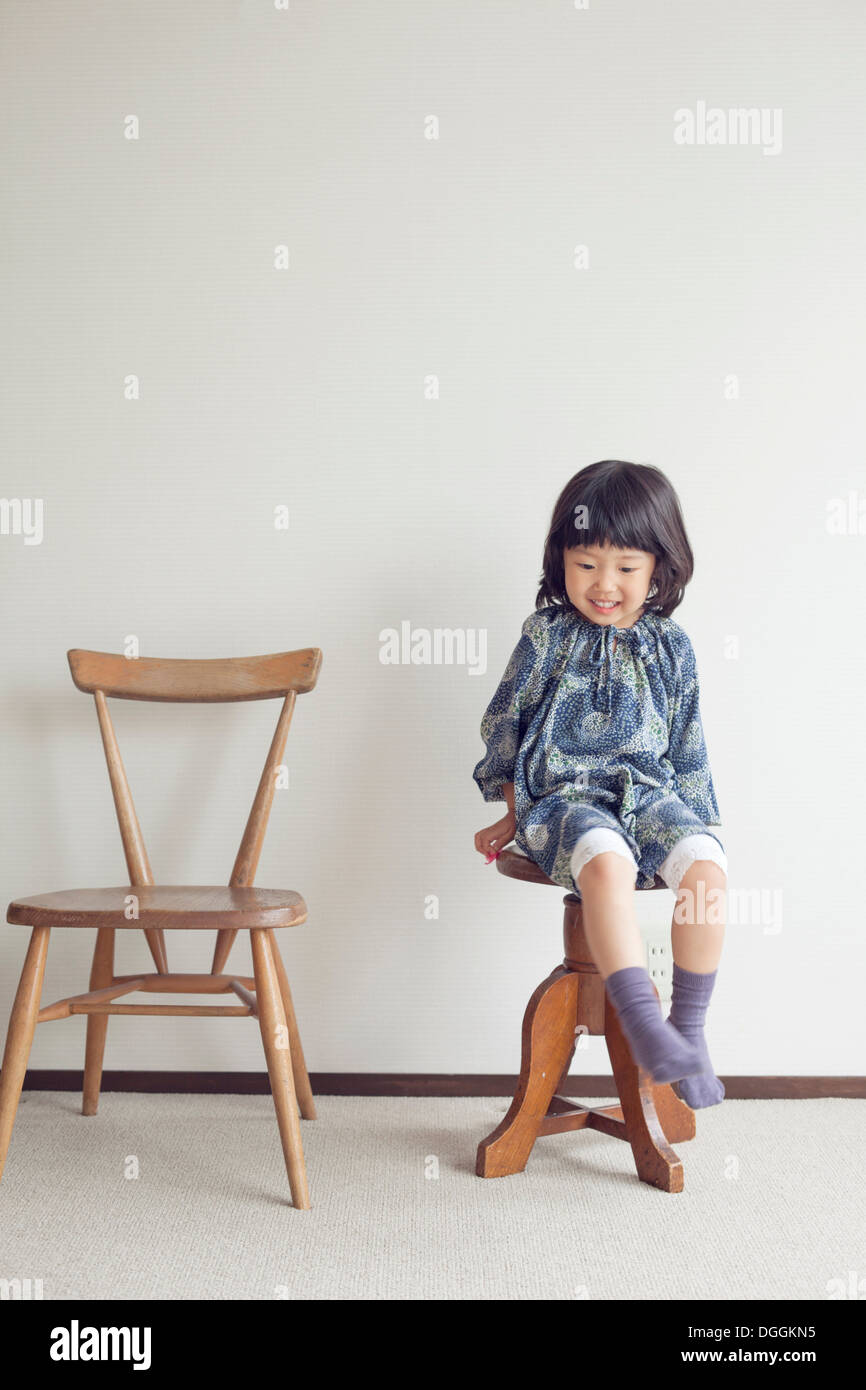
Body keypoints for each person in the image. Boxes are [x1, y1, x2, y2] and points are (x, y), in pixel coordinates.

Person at [472, 459, 728, 1109]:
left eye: (625, 567)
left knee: (707, 871)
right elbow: (505, 727)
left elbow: (688, 744)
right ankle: (644, 1025)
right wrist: (514, 809)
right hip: (564, 798)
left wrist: (692, 827)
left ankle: (687, 1034)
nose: (604, 583)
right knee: (607, 862)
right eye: (586, 564)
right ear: (561, 561)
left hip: (649, 795)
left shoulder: (673, 647)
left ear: (660, 569)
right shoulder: (546, 638)